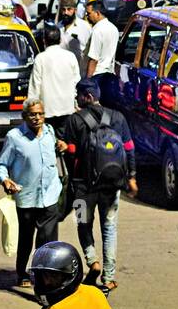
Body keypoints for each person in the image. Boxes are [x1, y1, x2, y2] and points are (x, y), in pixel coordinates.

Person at [58, 78, 137, 291]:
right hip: (111, 186)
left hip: (83, 187)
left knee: (83, 223)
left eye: (79, 94)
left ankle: (92, 261)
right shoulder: (118, 117)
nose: (76, 98)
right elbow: (129, 148)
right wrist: (131, 177)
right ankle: (109, 277)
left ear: (89, 97)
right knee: (109, 227)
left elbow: (71, 151)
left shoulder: (74, 121)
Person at [0, 99, 64, 286]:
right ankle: (22, 272)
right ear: (24, 116)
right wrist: (5, 179)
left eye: (40, 114)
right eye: (33, 114)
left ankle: (44, 276)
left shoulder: (49, 131)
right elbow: (1, 165)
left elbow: (55, 150)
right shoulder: (14, 137)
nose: (37, 118)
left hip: (50, 195)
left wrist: (61, 146)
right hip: (26, 198)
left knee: (48, 240)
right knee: (26, 239)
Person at [27, 25, 80, 135]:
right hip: (67, 108)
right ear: (60, 40)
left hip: (47, 111)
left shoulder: (40, 58)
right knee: (64, 143)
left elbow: (34, 88)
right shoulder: (70, 56)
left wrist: (31, 111)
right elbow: (77, 82)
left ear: (44, 40)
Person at [83, 0, 119, 79]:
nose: (87, 16)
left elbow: (94, 59)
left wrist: (88, 81)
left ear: (97, 13)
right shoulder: (113, 28)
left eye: (88, 13)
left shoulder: (97, 30)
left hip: (97, 75)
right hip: (109, 74)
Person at [59, 0, 92, 73]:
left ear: (75, 10)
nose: (66, 13)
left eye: (69, 9)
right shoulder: (58, 27)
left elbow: (89, 50)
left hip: (79, 72)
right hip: (62, 71)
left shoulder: (84, 27)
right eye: (63, 10)